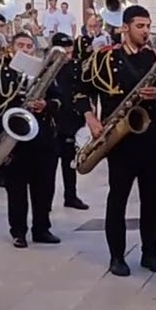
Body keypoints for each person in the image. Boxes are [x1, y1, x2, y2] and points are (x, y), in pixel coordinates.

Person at [74, 5, 156, 276]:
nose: (146, 31)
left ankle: (150, 252)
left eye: (148, 26)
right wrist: (91, 118)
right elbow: (80, 91)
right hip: (120, 139)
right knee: (118, 198)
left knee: (152, 200)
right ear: (125, 27)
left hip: (153, 138)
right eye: (140, 26)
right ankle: (117, 255)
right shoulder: (103, 58)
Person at [0, 32, 63, 248]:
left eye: (29, 46)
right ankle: (18, 231)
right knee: (16, 190)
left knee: (45, 188)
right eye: (21, 45)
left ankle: (42, 228)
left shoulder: (44, 73)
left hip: (43, 138)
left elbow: (60, 100)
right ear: (11, 48)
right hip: (13, 142)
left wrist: (46, 106)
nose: (25, 50)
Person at [52, 32, 89, 210]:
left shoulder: (76, 66)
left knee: (70, 161)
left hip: (71, 118)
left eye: (70, 51)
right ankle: (46, 201)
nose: (68, 55)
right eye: (64, 52)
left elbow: (82, 89)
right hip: (52, 119)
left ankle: (71, 195)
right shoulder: (48, 67)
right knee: (49, 165)